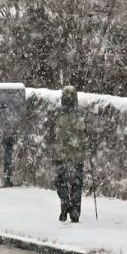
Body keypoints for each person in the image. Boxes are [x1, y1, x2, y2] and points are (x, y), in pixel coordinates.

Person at [49, 85, 87, 223]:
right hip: (77, 155)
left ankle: (65, 201)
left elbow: (51, 134)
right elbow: (87, 134)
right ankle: (75, 210)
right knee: (76, 183)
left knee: (60, 181)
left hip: (60, 155)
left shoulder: (56, 114)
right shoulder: (82, 114)